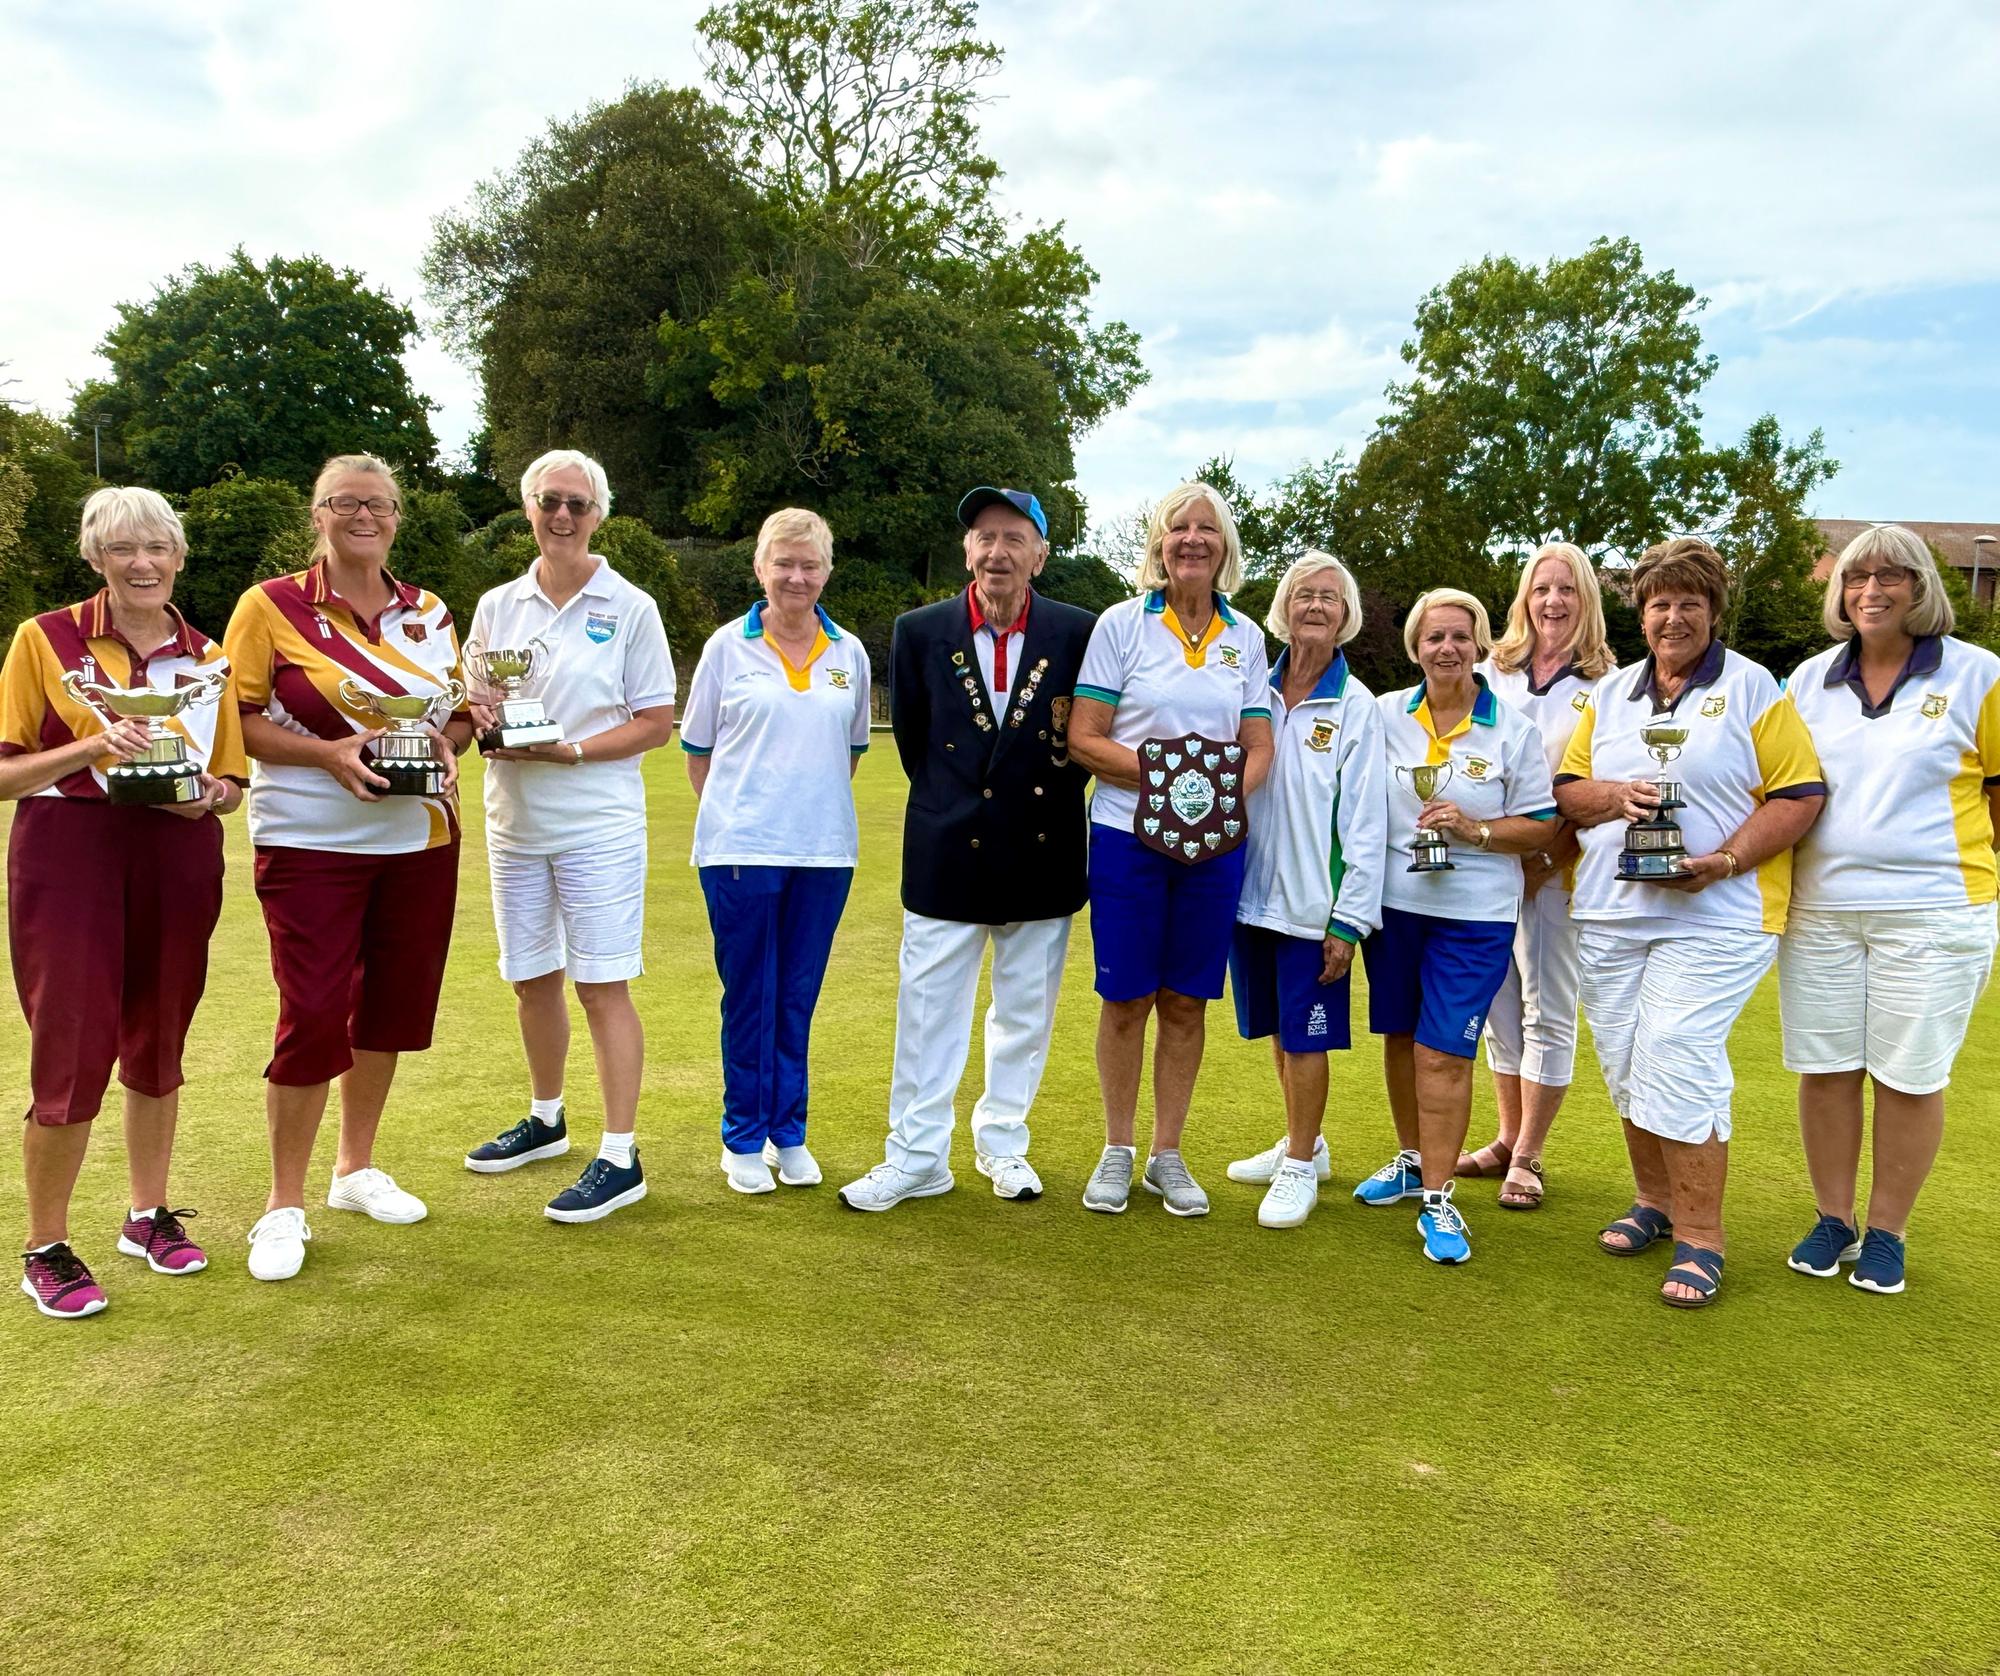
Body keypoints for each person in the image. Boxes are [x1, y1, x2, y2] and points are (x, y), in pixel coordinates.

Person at [1555, 536, 1824, 1308]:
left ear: (1714, 611)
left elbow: (1799, 794)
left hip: (1719, 911)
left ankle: (1702, 1236)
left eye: (1689, 603)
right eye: (1660, 604)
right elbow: (1569, 790)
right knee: (1626, 1061)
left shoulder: (1753, 688)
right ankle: (1655, 1200)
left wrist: (1727, 860)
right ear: (1640, 615)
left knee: (1676, 1050)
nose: (1673, 617)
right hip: (1612, 908)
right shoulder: (1611, 694)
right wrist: (1615, 796)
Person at [224, 453, 473, 1283]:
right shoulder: (269, 605)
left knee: (388, 1012)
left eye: (379, 504)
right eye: (345, 502)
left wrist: (451, 741)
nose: (364, 516)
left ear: (398, 516)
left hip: (419, 840)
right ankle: (281, 1203)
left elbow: (457, 713)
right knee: (313, 1014)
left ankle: (354, 1169)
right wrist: (328, 754)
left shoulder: (430, 612)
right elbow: (236, 720)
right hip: (309, 844)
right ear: (318, 514)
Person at [4, 488, 246, 1318]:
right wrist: (91, 747)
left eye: (156, 548)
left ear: (179, 556)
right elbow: (4, 772)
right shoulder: (46, 639)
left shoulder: (209, 657)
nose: (142, 563)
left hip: (177, 853)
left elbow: (230, 782)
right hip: (69, 851)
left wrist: (211, 795)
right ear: (95, 557)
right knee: (70, 1043)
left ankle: (148, 1215)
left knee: (160, 1030)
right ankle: (46, 1246)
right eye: (122, 549)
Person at [839, 488, 1096, 1212]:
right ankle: (917, 1157)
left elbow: (1081, 741)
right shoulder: (919, 631)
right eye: (985, 537)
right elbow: (916, 744)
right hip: (946, 844)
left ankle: (1003, 1144)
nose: (997, 552)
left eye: (1014, 538)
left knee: (1024, 1012)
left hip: (1042, 844)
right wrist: (961, 806)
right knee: (928, 1012)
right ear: (966, 551)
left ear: (1040, 555)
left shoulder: (1078, 631)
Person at [1779, 525, 2000, 1295]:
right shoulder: (1807, 681)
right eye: (1855, 577)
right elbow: (1784, 788)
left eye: (1889, 576)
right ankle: (1833, 1219)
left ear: (1920, 587)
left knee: (1909, 1077)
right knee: (1827, 1070)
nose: (1870, 591)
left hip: (1934, 909)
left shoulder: (1979, 675)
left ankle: (1887, 1231)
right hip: (1822, 909)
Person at [458, 450, 677, 1223]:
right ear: (527, 508)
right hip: (514, 820)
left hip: (597, 822)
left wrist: (573, 750)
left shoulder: (631, 606)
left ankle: (620, 1155)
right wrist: (483, 714)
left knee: (601, 984)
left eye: (577, 505)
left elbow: (656, 721)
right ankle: (546, 1118)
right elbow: (476, 697)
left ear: (598, 516)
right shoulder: (498, 605)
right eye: (549, 500)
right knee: (531, 977)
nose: (562, 515)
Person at [1067, 481, 1274, 1217]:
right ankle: (1117, 1149)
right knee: (1126, 998)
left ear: (1225, 547)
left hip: (1212, 846)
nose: (1193, 539)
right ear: (1159, 542)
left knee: (1187, 1000)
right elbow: (1085, 738)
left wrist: (1210, 801)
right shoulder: (1121, 625)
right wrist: (1173, 782)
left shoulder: (1247, 637)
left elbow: (1258, 747)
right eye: (1179, 527)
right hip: (1127, 838)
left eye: (1207, 529)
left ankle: (1167, 1154)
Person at [1354, 590, 1556, 1265]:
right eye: (1434, 637)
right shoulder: (1385, 713)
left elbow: (1542, 824)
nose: (1447, 648)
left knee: (1443, 1052)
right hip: (1394, 908)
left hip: (1474, 916)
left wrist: (1475, 830)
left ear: (1479, 646)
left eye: (1460, 637)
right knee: (1401, 1037)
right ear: (1416, 647)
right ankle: (1414, 1161)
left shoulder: (1513, 729)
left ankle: (1439, 1199)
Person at [681, 508, 871, 1196]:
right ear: (760, 567)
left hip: (824, 854)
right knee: (750, 997)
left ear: (827, 571)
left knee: (796, 997)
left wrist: (803, 813)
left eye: (809, 564)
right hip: (740, 849)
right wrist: (745, 817)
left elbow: (849, 752)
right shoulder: (726, 648)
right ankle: (741, 1136)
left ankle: (788, 1133)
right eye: (783, 563)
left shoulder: (850, 654)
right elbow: (698, 754)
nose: (796, 576)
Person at [1222, 553, 1387, 1228]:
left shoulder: (1357, 706)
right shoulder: (1250, 687)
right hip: (1247, 895)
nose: (1315, 606)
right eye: (1303, 595)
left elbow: (1366, 823)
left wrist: (1348, 921)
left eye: (1329, 597)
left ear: (1346, 615)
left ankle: (1297, 1168)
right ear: (1283, 609)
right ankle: (1306, 1144)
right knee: (1277, 1029)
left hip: (1313, 907)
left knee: (1307, 1039)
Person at [1457, 542, 1616, 1209]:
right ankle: (1504, 1137)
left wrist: (1547, 857)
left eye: (1567, 589)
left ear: (1587, 601)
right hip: (1488, 865)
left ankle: (1529, 1154)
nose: (1553, 601)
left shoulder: (1609, 686)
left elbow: (1596, 790)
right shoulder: (1491, 673)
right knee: (1499, 1006)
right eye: (1542, 588)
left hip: (1557, 871)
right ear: (1524, 597)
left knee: (1546, 1007)